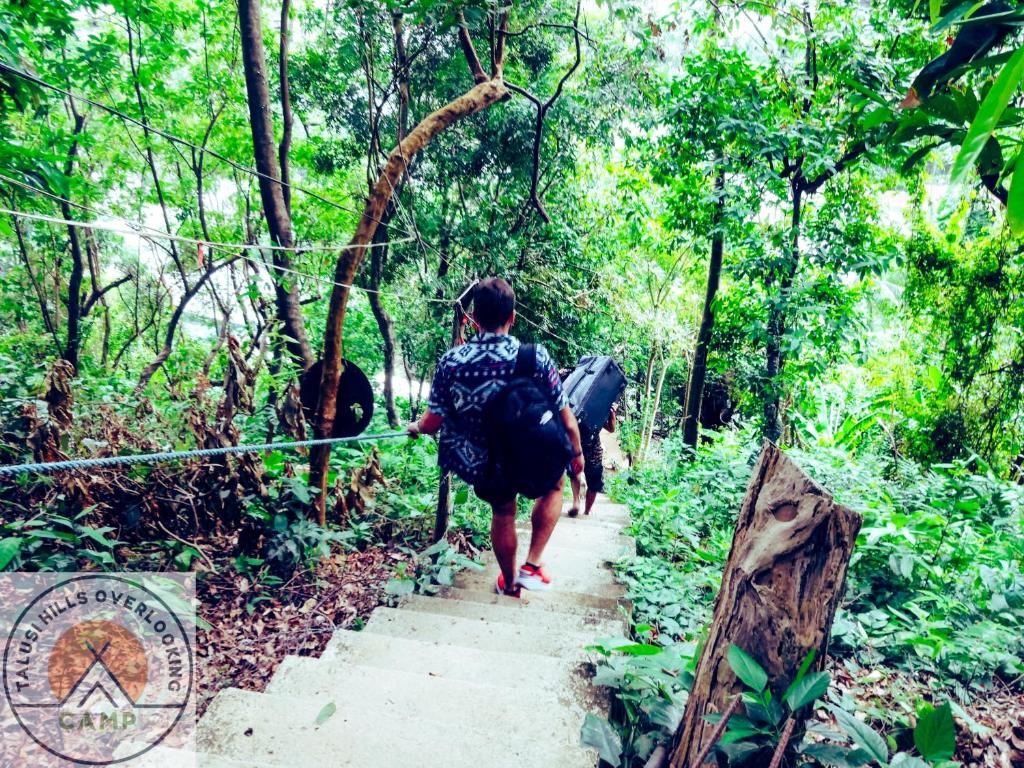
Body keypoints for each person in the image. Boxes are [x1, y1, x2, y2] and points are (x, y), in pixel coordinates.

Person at [407, 278, 585, 598]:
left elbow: (432, 422)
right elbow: (565, 415)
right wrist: (576, 452)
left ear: (474, 318)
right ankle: (531, 565)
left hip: (485, 462)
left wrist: (416, 427)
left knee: (503, 513)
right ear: (512, 317)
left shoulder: (452, 362)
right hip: (530, 454)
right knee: (556, 484)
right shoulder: (535, 357)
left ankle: (510, 582)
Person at [568, 402, 617, 517]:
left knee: (580, 475)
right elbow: (611, 428)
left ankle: (579, 504)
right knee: (588, 480)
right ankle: (584, 509)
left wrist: (612, 413)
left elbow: (611, 428)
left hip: (583, 448)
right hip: (586, 448)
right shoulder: (594, 406)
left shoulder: (598, 408)